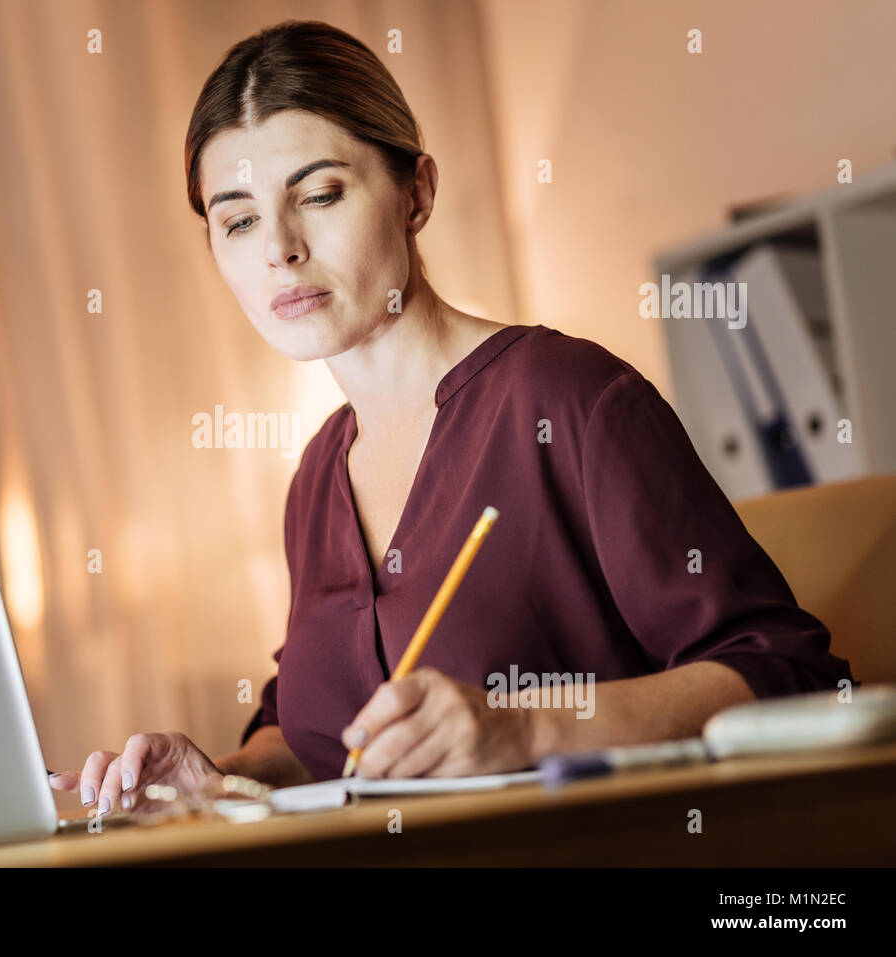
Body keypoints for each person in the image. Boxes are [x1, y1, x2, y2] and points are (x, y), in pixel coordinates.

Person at [49, 19, 853, 816]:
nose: (279, 249)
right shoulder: (318, 476)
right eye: (238, 219)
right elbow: (331, 739)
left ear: (417, 194)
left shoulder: (568, 399)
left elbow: (790, 674)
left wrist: (528, 728)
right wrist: (220, 776)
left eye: (320, 194)